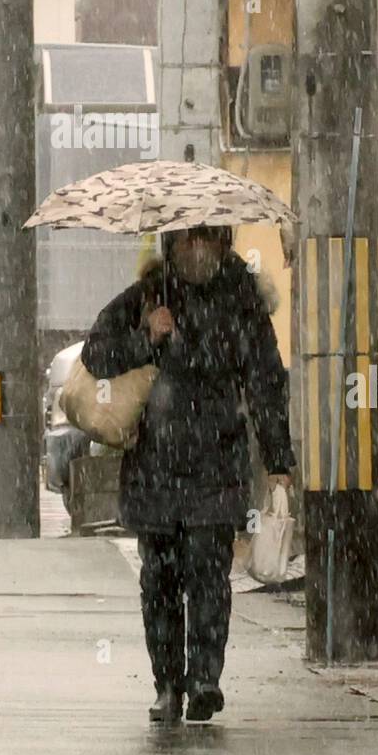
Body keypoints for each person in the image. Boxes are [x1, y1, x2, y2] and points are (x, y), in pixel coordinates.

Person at [82, 224, 294, 723]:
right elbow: (96, 355)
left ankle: (204, 679)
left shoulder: (243, 301)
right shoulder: (146, 296)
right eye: (186, 240)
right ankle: (166, 686)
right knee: (160, 580)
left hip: (216, 462)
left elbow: (266, 383)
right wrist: (145, 337)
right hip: (155, 465)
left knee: (207, 574)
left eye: (208, 239)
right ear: (170, 246)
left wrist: (279, 460)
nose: (197, 250)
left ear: (224, 243)